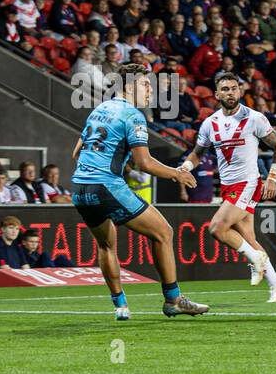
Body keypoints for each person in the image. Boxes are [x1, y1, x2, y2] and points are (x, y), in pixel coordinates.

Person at [70, 62, 207, 320]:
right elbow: (145, 163)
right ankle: (173, 299)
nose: (150, 92)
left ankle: (121, 306)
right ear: (130, 85)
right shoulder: (132, 114)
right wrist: (177, 173)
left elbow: (76, 152)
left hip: (79, 187)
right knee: (163, 232)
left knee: (106, 245)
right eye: (145, 85)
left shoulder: (99, 108)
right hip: (105, 185)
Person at [176, 72, 276, 302]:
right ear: (217, 94)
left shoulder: (255, 118)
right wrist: (185, 167)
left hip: (248, 182)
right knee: (249, 239)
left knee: (217, 228)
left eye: (234, 88)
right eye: (225, 89)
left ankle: (256, 260)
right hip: (228, 187)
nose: (230, 92)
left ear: (240, 91)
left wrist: (272, 178)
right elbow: (198, 153)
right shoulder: (210, 123)